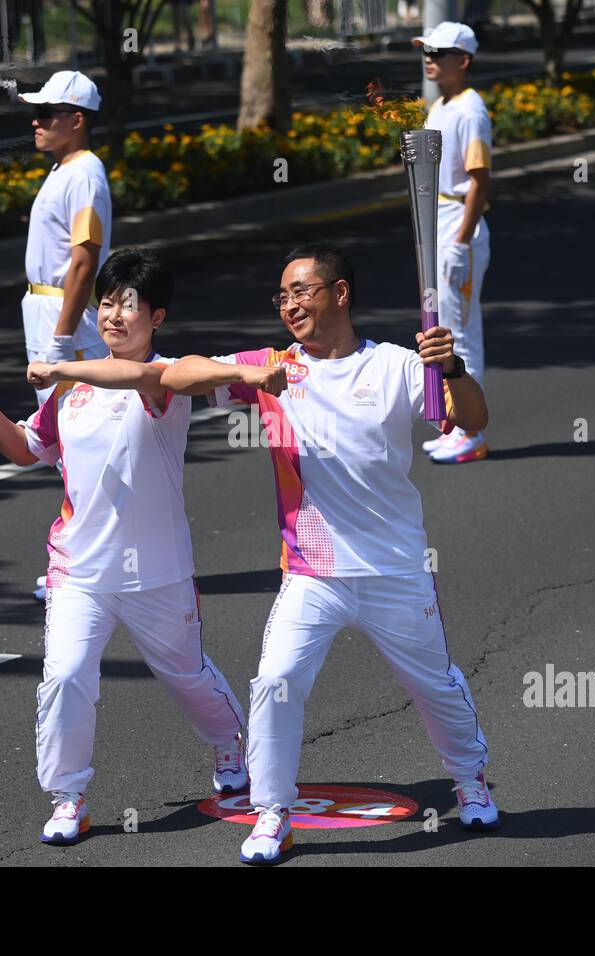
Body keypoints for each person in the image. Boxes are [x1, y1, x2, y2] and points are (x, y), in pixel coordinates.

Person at [161, 244, 499, 865]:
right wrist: (241, 376)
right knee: (278, 680)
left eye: (301, 291)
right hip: (312, 573)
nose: (290, 305)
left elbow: (470, 419)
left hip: (395, 568)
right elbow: (174, 374)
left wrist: (451, 370)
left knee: (432, 685)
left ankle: (470, 780)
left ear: (339, 294)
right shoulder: (274, 366)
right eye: (282, 295)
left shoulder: (399, 366)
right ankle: (270, 810)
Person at [0, 249, 250, 848]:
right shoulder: (71, 390)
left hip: (159, 571)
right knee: (65, 674)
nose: (114, 315)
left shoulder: (166, 377)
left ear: (157, 316)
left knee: (186, 675)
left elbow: (141, 379)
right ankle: (68, 797)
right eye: (107, 302)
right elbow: (29, 451)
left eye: (129, 305)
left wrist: (64, 370)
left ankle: (229, 746)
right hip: (79, 569)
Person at [17, 70, 113, 600]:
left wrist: (59, 339)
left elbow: (83, 261)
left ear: (76, 121)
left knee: (81, 442)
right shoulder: (64, 170)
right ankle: (84, 558)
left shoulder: (86, 174)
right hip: (48, 312)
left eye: (47, 113)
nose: (36, 120)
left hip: (66, 321)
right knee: (68, 444)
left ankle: (79, 563)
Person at [414, 21, 492, 464]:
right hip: (440, 221)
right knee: (443, 329)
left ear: (462, 60)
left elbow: (480, 180)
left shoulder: (470, 110)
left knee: (460, 335)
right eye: (426, 50)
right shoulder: (442, 105)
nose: (430, 58)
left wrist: (461, 243)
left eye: (439, 52)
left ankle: (472, 432)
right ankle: (456, 423)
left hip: (459, 225)